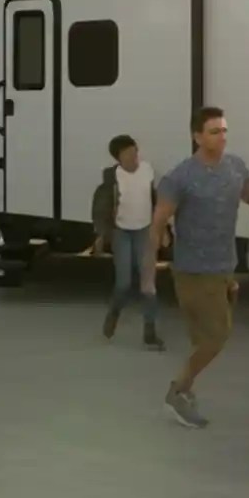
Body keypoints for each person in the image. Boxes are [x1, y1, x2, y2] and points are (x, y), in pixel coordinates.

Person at [142, 107, 249, 429]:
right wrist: (149, 274)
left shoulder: (236, 168)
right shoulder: (181, 177)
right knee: (216, 337)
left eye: (224, 131)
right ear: (196, 137)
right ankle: (177, 392)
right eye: (213, 132)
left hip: (225, 268)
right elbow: (158, 224)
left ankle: (185, 390)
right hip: (193, 271)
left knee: (206, 337)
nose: (221, 137)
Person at [91, 134, 168, 351]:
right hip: (122, 232)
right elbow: (101, 210)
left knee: (148, 284)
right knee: (123, 283)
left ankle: (150, 333)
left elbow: (157, 201)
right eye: (128, 153)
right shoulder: (112, 178)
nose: (134, 156)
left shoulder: (147, 170)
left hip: (144, 230)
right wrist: (102, 235)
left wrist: (163, 228)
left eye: (135, 151)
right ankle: (114, 313)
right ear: (119, 157)